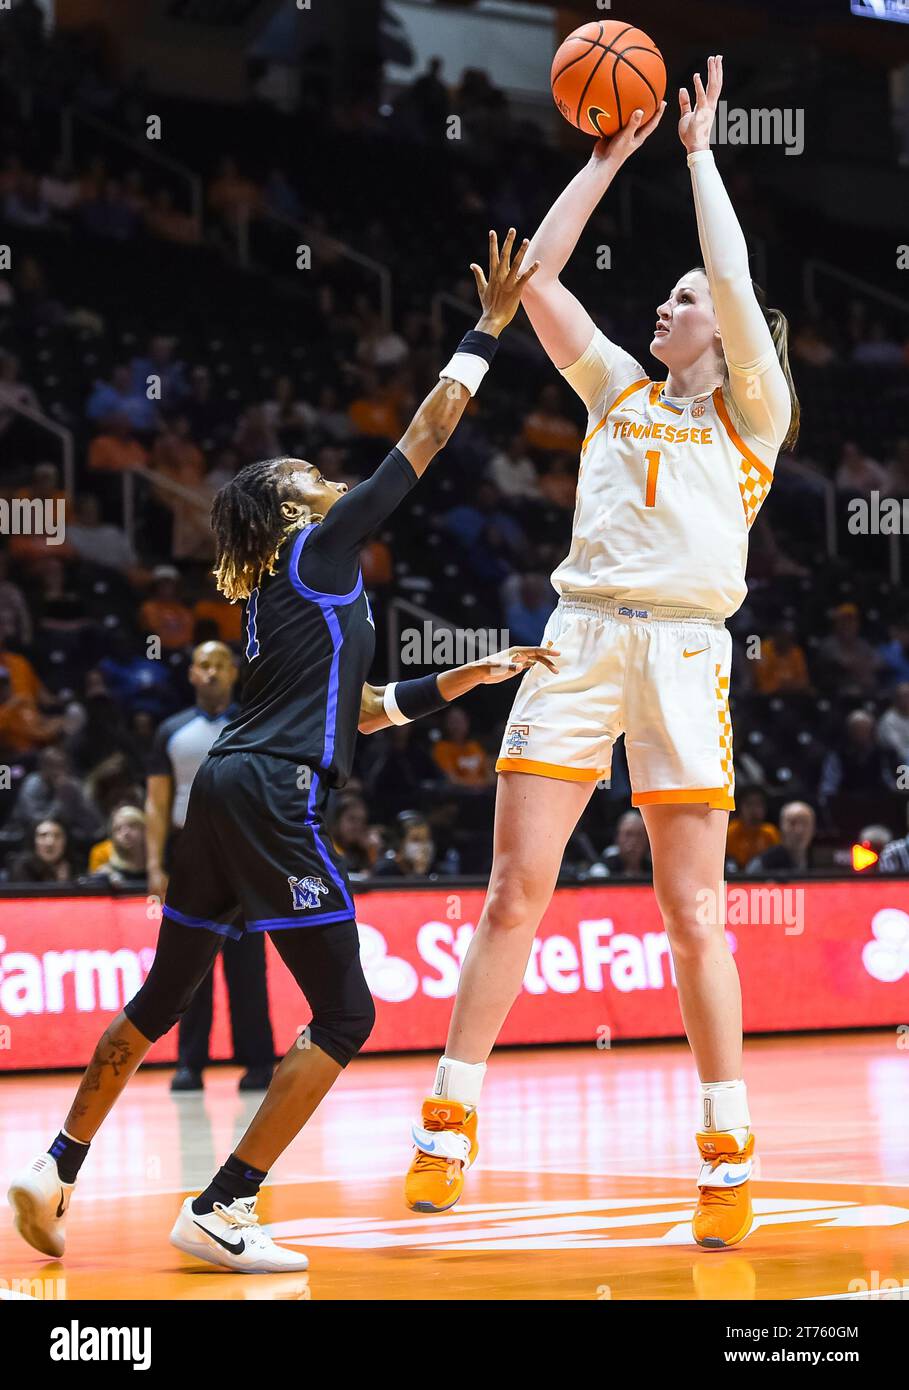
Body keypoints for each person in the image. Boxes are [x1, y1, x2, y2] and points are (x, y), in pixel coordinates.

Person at [7, 228, 551, 1274]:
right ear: (289, 504)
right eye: (309, 472)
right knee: (346, 1011)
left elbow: (359, 712)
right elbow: (427, 436)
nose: (329, 475)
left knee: (161, 998)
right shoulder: (320, 546)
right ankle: (224, 1204)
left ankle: (53, 1165)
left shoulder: (283, 592)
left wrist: (464, 678)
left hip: (225, 786)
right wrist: (487, 328)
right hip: (271, 791)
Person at [402, 58, 799, 1253]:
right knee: (512, 892)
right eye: (668, 297)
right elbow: (533, 278)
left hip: (683, 655)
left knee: (693, 912)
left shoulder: (756, 416)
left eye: (683, 300)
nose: (665, 309)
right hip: (577, 643)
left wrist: (697, 156)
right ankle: (447, 1126)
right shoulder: (617, 389)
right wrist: (604, 160)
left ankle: (727, 1153)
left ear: (729, 335)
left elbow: (732, 275)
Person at [145, 641, 276, 1093]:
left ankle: (258, 1062)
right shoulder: (171, 731)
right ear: (192, 674)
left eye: (221, 664)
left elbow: (268, 794)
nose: (213, 672)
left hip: (243, 854)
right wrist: (153, 865)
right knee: (188, 964)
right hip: (189, 854)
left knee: (248, 967)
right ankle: (189, 1063)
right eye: (204, 664)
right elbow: (156, 803)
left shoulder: (255, 723)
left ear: (235, 673)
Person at [746, 801, 819, 875]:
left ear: (813, 829)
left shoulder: (822, 862)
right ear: (781, 827)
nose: (799, 830)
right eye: (792, 823)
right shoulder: (762, 864)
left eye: (805, 823)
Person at [725, 785, 780, 871]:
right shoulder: (731, 831)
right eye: (749, 804)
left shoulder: (770, 833)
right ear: (739, 807)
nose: (754, 810)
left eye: (758, 804)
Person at [5, 818, 73, 884]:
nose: (50, 842)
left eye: (57, 835)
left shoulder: (73, 864)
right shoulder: (21, 867)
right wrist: (60, 884)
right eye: (43, 835)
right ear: (33, 841)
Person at [599, 809, 652, 879]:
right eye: (628, 834)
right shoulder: (602, 871)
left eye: (639, 835)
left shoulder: (655, 870)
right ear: (617, 838)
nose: (633, 841)